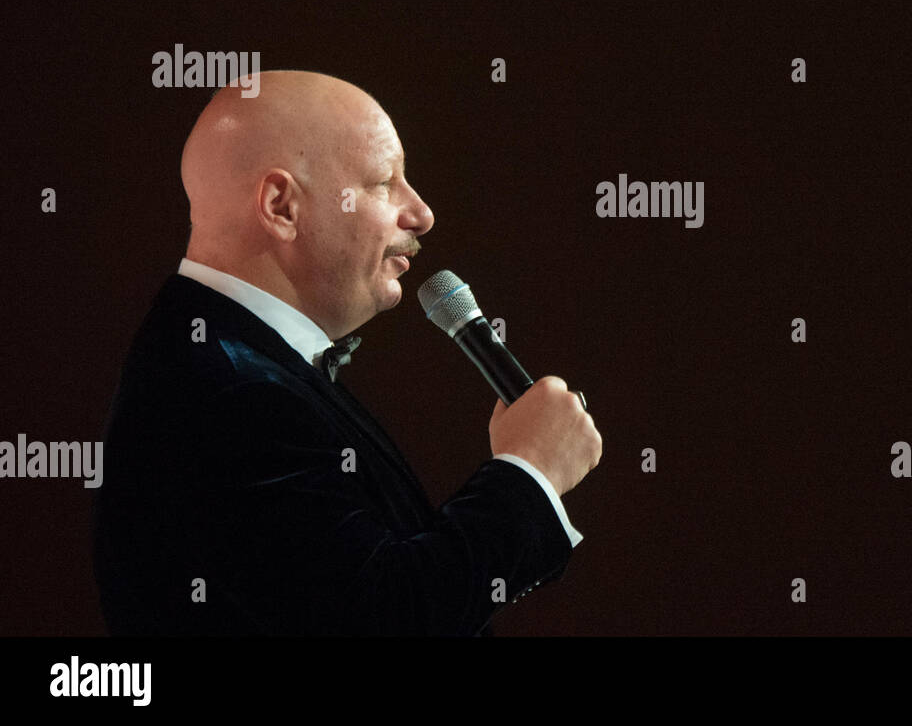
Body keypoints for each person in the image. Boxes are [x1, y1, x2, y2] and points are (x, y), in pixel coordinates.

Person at [92, 70, 601, 635]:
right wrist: (527, 474)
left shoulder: (231, 359)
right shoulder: (226, 386)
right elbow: (383, 617)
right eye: (385, 181)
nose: (422, 213)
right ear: (281, 206)